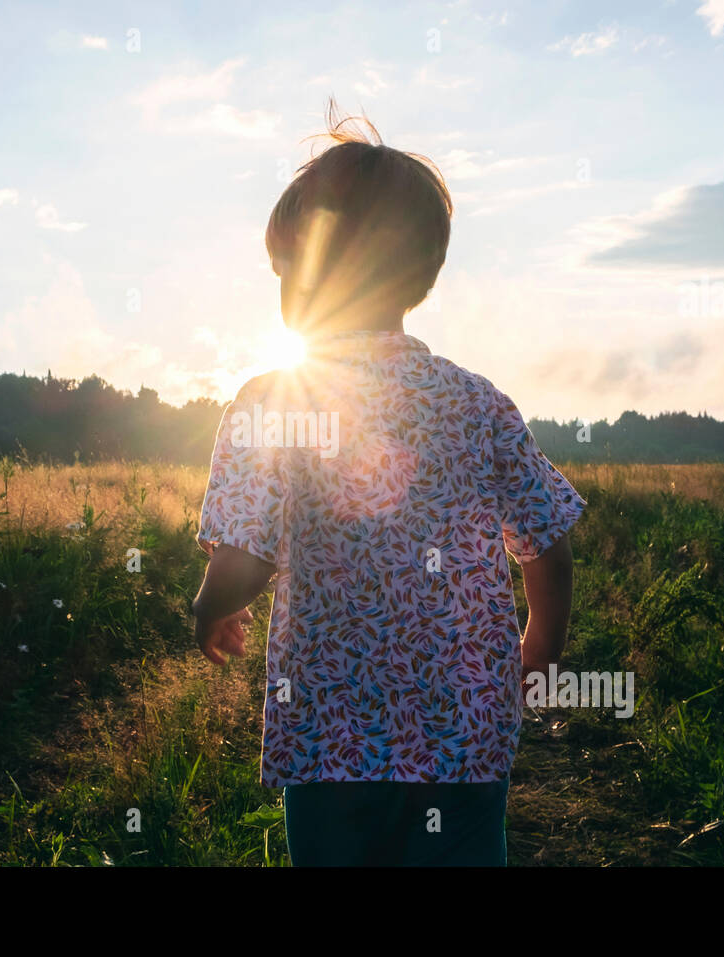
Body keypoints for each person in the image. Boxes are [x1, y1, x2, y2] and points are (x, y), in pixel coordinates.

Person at [191, 99, 584, 866]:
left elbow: (244, 559)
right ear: (420, 274)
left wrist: (209, 605)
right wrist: (540, 649)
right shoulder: (476, 401)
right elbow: (548, 545)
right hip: (465, 730)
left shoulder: (274, 402)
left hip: (330, 737)